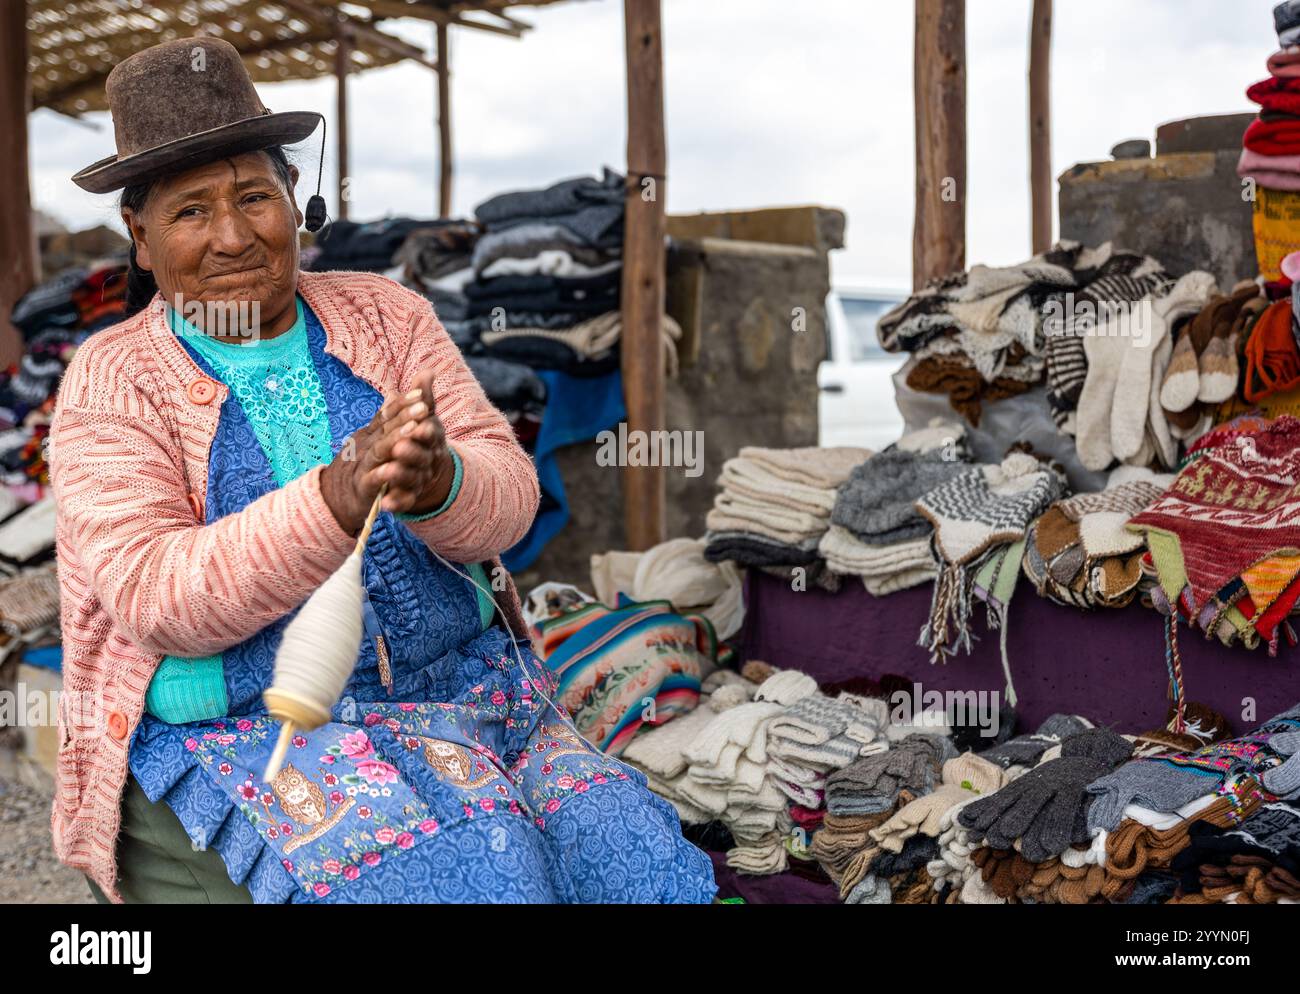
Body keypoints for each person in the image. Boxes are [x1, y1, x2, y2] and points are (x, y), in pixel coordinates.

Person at [51, 36, 715, 904]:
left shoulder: (388, 317)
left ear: (295, 199)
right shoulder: (114, 378)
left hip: (471, 693)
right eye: (189, 213)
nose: (232, 236)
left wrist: (445, 485)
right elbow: (155, 595)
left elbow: (510, 502)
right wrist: (332, 499)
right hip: (252, 727)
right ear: (139, 238)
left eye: (255, 196)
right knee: (482, 878)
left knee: (637, 861)